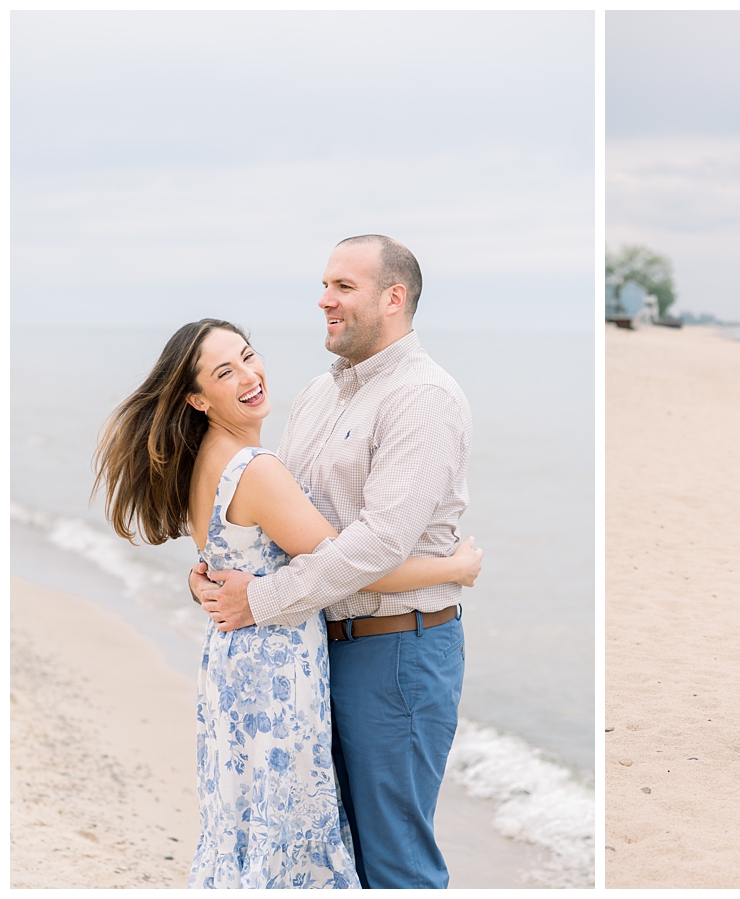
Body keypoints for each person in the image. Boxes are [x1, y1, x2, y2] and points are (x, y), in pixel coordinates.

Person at [92, 318, 481, 888]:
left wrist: (203, 583)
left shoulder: (208, 463)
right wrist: (454, 568)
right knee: (294, 835)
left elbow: (230, 559)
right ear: (197, 399)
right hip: (276, 668)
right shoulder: (258, 469)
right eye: (226, 371)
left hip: (233, 667)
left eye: (249, 356)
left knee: (250, 827)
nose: (250, 375)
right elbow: (352, 566)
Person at [193, 235, 473, 888]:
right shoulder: (320, 394)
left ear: (393, 298)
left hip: (396, 652)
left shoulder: (423, 396)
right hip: (312, 652)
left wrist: (259, 599)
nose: (324, 299)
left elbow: (379, 542)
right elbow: (280, 521)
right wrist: (211, 573)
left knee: (394, 861)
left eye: (344, 287)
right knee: (331, 857)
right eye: (325, 285)